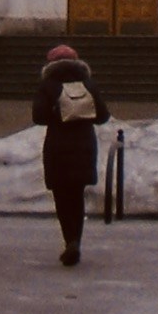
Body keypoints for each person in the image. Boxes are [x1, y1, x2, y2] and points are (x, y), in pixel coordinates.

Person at [30, 41, 110, 266]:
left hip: (58, 146)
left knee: (62, 196)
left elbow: (39, 117)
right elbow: (103, 116)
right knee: (77, 195)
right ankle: (76, 240)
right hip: (84, 145)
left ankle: (69, 241)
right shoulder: (88, 84)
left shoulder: (48, 85)